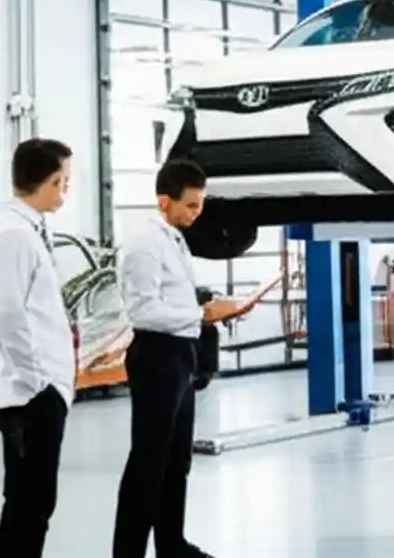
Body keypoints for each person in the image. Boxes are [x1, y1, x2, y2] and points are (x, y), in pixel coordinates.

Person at [112, 159, 255, 558]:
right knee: (149, 462)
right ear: (164, 201)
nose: (197, 213)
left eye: (200, 205)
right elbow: (143, 312)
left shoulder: (173, 239)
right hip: (156, 356)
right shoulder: (144, 244)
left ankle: (171, 544)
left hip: (180, 355)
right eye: (190, 206)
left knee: (177, 461)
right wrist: (203, 314)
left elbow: (172, 298)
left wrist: (209, 306)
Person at [0, 137, 76, 558]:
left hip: (35, 388)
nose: (66, 189)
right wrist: (37, 385)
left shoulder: (25, 227)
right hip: (29, 393)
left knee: (30, 500)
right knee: (30, 502)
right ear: (49, 181)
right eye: (64, 181)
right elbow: (9, 315)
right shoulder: (14, 235)